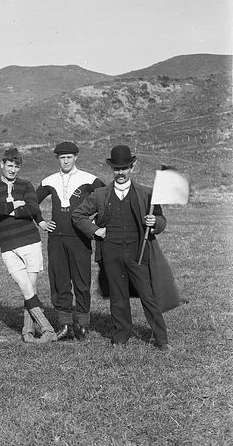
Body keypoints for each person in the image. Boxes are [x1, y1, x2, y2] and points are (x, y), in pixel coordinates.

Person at [71, 144, 176, 350]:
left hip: (138, 252)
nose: (121, 172)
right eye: (117, 168)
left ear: (132, 168)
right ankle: (121, 336)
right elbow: (78, 215)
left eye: (125, 168)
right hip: (111, 252)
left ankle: (161, 340)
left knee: (148, 295)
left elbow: (162, 220)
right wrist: (96, 231)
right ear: (112, 169)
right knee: (118, 296)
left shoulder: (147, 194)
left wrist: (155, 222)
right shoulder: (100, 195)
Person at [0, 147, 58, 343]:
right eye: (10, 165)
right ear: (2, 164)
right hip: (7, 244)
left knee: (30, 287)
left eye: (16, 166)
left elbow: (32, 208)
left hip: (30, 241)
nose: (13, 170)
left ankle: (28, 332)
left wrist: (9, 209)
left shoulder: (26, 185)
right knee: (25, 287)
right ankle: (47, 328)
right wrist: (16, 205)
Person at [36, 141, 105, 341]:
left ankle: (82, 325)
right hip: (56, 238)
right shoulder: (49, 180)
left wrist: (92, 223)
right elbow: (32, 201)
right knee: (60, 281)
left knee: (82, 281)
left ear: (76, 157)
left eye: (69, 157)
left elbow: (105, 199)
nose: (65, 161)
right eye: (62, 157)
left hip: (79, 238)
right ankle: (65, 324)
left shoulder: (88, 179)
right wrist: (40, 221)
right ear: (57, 158)